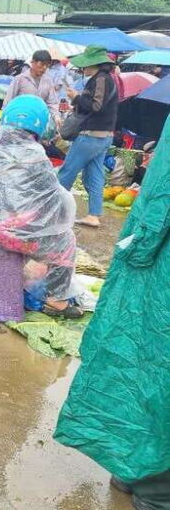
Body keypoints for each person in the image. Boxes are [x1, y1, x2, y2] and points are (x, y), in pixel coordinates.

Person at [54, 114, 170, 508]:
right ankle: (153, 484)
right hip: (157, 262)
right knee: (156, 370)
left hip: (151, 259)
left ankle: (133, 467)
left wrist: (137, 247)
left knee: (139, 361)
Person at [0, 95, 80, 317]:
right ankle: (56, 301)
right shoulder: (35, 156)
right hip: (12, 234)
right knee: (66, 242)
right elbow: (54, 200)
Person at [57, 45, 119, 228]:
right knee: (95, 176)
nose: (84, 69)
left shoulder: (101, 79)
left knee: (67, 172)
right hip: (104, 136)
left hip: (91, 136)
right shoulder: (106, 79)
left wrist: (76, 97)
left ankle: (52, 210)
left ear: (96, 64)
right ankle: (93, 215)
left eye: (86, 65)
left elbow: (96, 106)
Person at [3, 50, 59, 119]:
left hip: (39, 119)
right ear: (33, 62)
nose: (44, 68)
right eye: (42, 64)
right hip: (20, 118)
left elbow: (52, 102)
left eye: (47, 65)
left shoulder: (48, 81)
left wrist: (56, 116)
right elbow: (8, 101)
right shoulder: (20, 79)